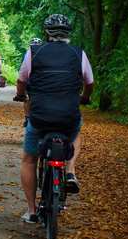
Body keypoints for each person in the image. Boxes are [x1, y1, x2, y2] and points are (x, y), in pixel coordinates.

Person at [14, 14, 94, 223]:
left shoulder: (35, 51)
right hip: (68, 115)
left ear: (46, 32)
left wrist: (21, 95)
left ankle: (32, 211)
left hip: (40, 116)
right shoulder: (79, 54)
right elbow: (90, 82)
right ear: (69, 33)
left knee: (29, 160)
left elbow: (22, 80)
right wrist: (84, 97)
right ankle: (69, 171)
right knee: (76, 131)